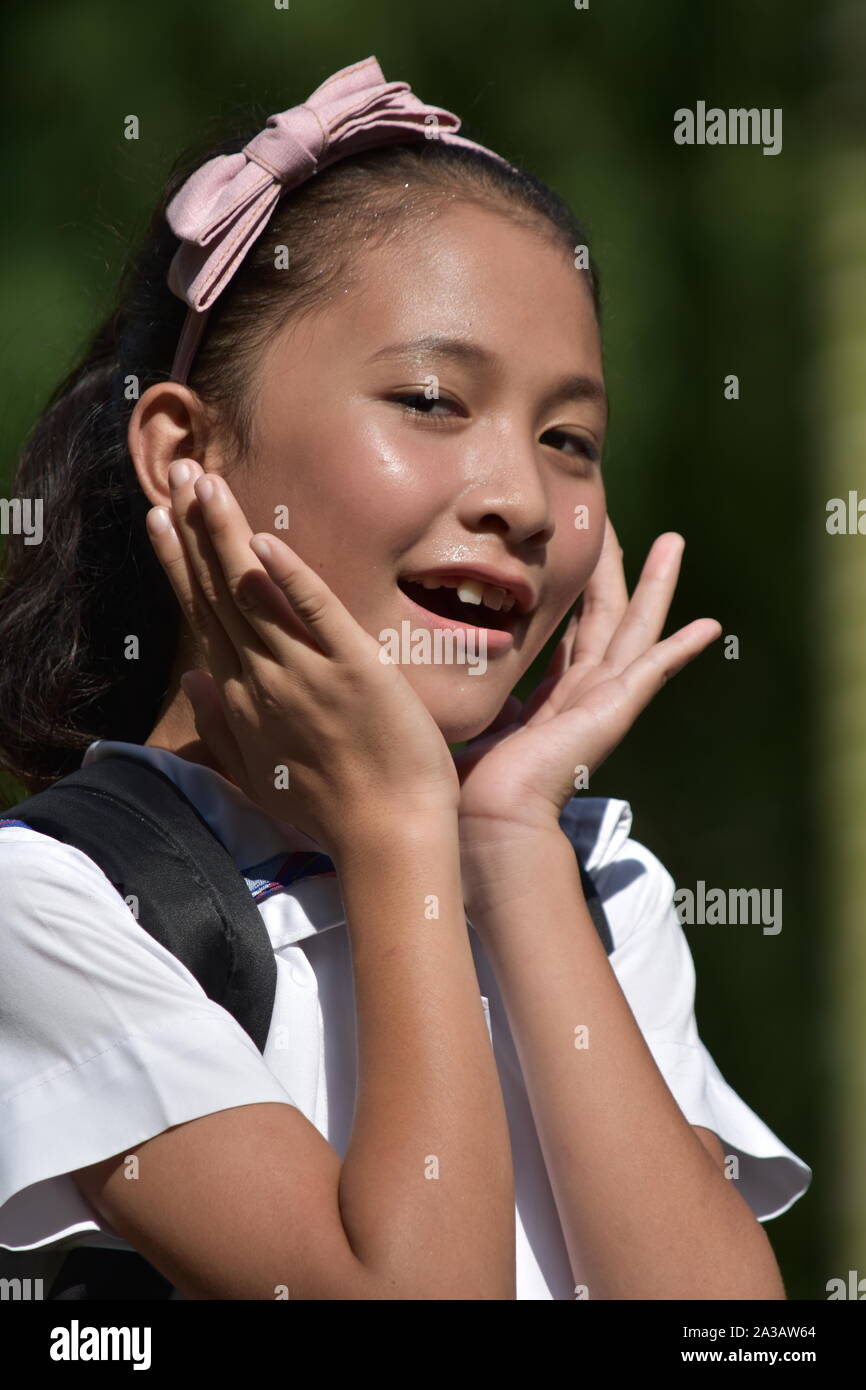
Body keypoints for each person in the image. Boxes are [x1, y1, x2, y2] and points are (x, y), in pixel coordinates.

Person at [0, 55, 810, 1300]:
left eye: (568, 440)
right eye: (431, 400)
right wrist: (393, 831)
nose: (522, 500)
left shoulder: (592, 886)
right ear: (185, 453)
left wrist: (505, 845)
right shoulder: (51, 906)